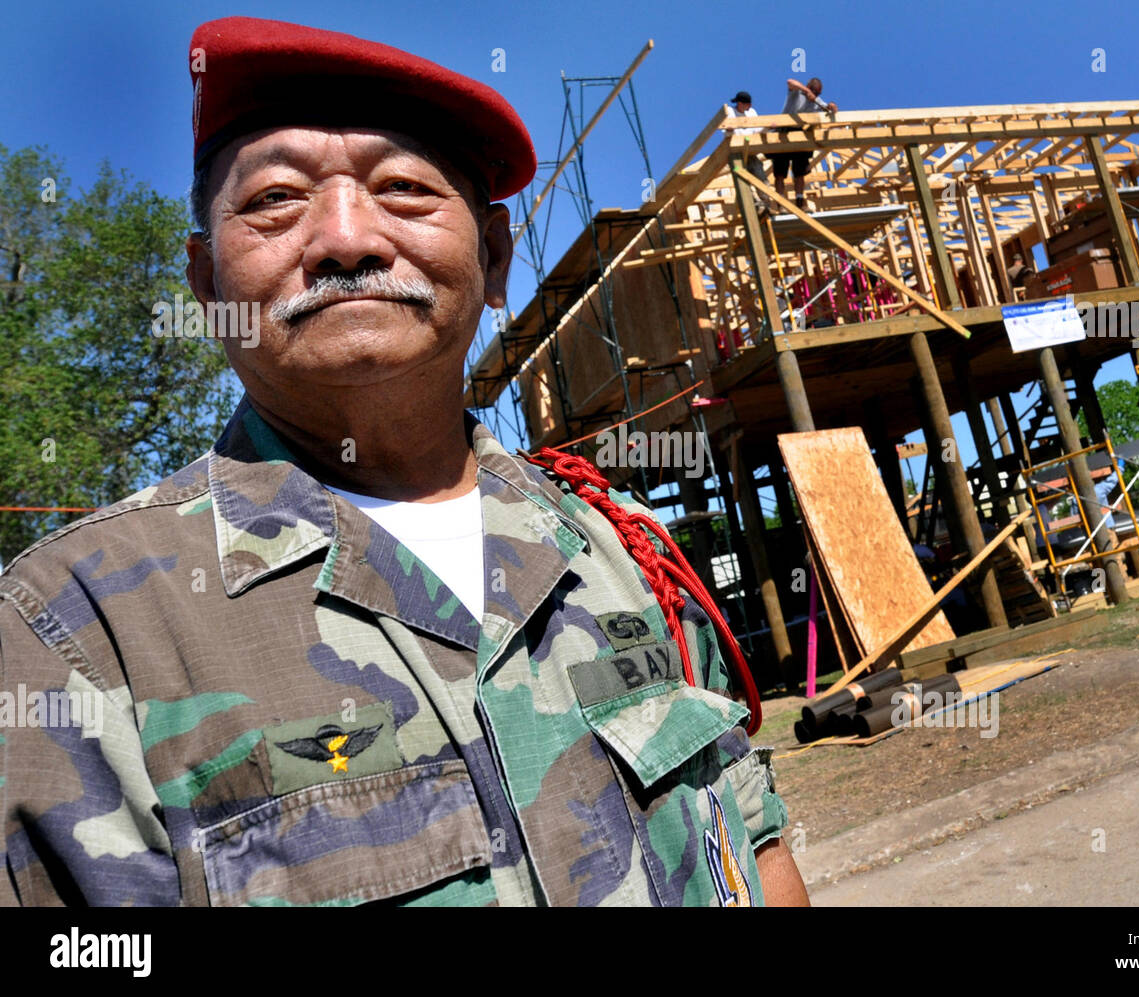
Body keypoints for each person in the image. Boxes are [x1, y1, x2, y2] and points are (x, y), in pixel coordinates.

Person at [0, 17, 805, 908]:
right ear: (205, 284)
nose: (346, 239)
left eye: (405, 188)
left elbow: (755, 845)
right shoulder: (76, 632)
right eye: (274, 198)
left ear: (495, 258)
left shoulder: (623, 548)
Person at [769, 77, 837, 209]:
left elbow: (829, 110)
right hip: (783, 133)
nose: (816, 95)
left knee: (799, 172)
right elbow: (789, 81)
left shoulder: (816, 101)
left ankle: (800, 201)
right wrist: (806, 91)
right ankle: (780, 203)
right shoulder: (797, 92)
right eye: (814, 92)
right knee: (780, 173)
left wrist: (832, 106)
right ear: (809, 87)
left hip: (800, 135)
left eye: (818, 93)